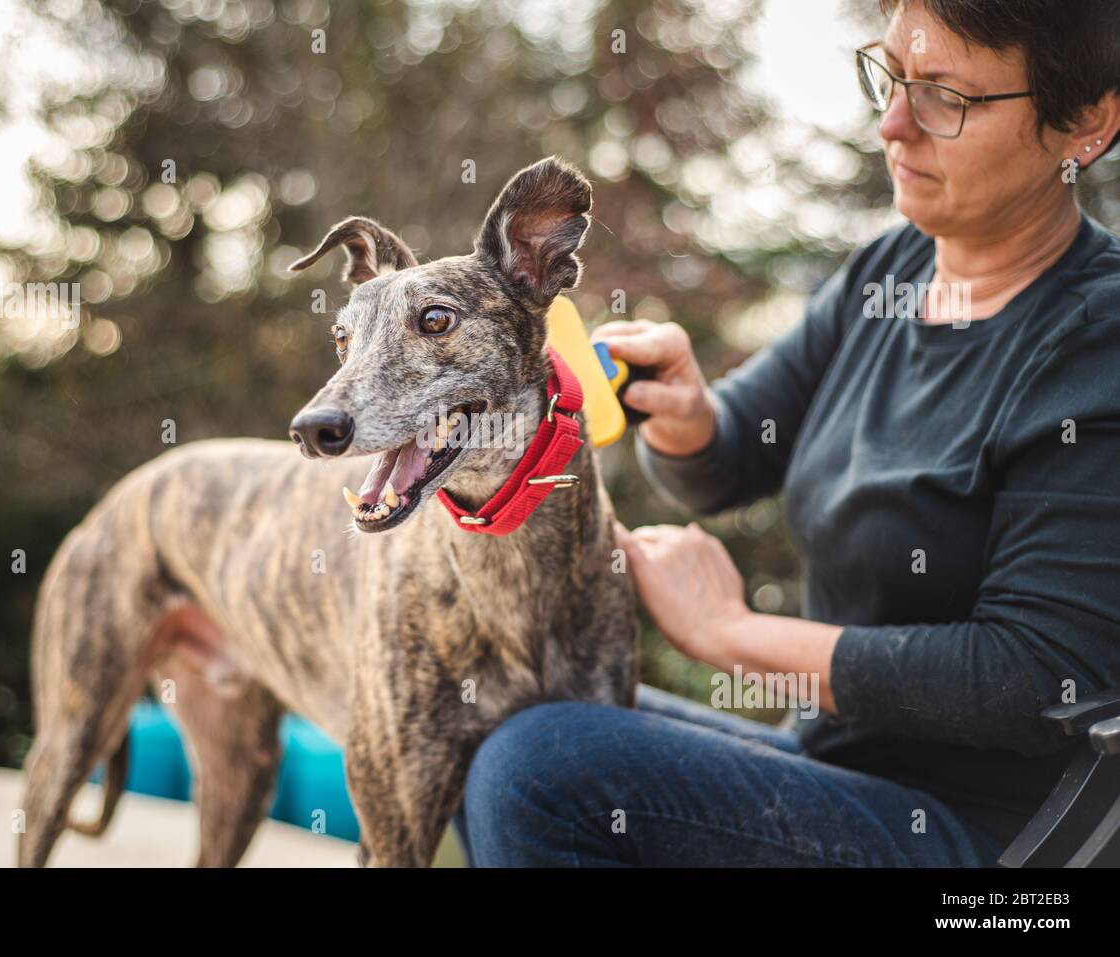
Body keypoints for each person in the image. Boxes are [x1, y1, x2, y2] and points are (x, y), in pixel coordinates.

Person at [453, 0, 1120, 866]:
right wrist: (690, 418)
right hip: (839, 773)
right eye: (890, 77)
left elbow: (1027, 677)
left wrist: (731, 634)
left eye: (946, 98)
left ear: (1087, 123)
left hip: (998, 851)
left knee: (540, 772)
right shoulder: (891, 271)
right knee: (483, 720)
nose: (892, 125)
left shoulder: (1096, 342)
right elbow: (731, 459)